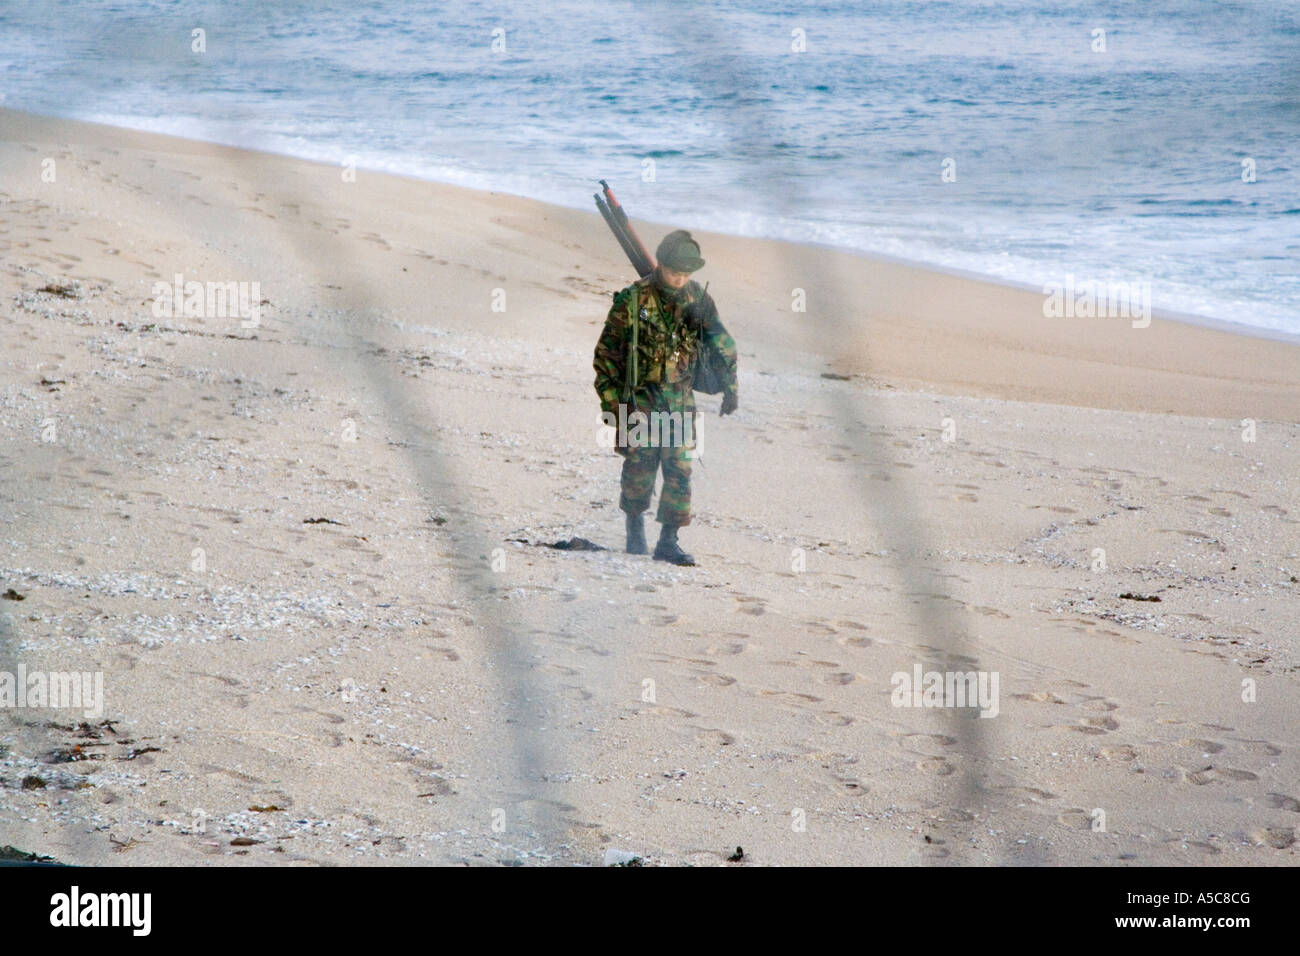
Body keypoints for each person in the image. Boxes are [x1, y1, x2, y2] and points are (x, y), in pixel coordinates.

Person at [593, 229, 738, 566]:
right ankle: (634, 527)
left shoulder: (696, 300)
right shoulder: (632, 300)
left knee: (680, 470)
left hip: (678, 402)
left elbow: (720, 340)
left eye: (687, 274)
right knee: (639, 468)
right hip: (639, 402)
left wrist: (731, 384)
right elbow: (606, 355)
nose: (680, 279)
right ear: (660, 265)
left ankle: (668, 541)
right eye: (675, 272)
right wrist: (612, 406)